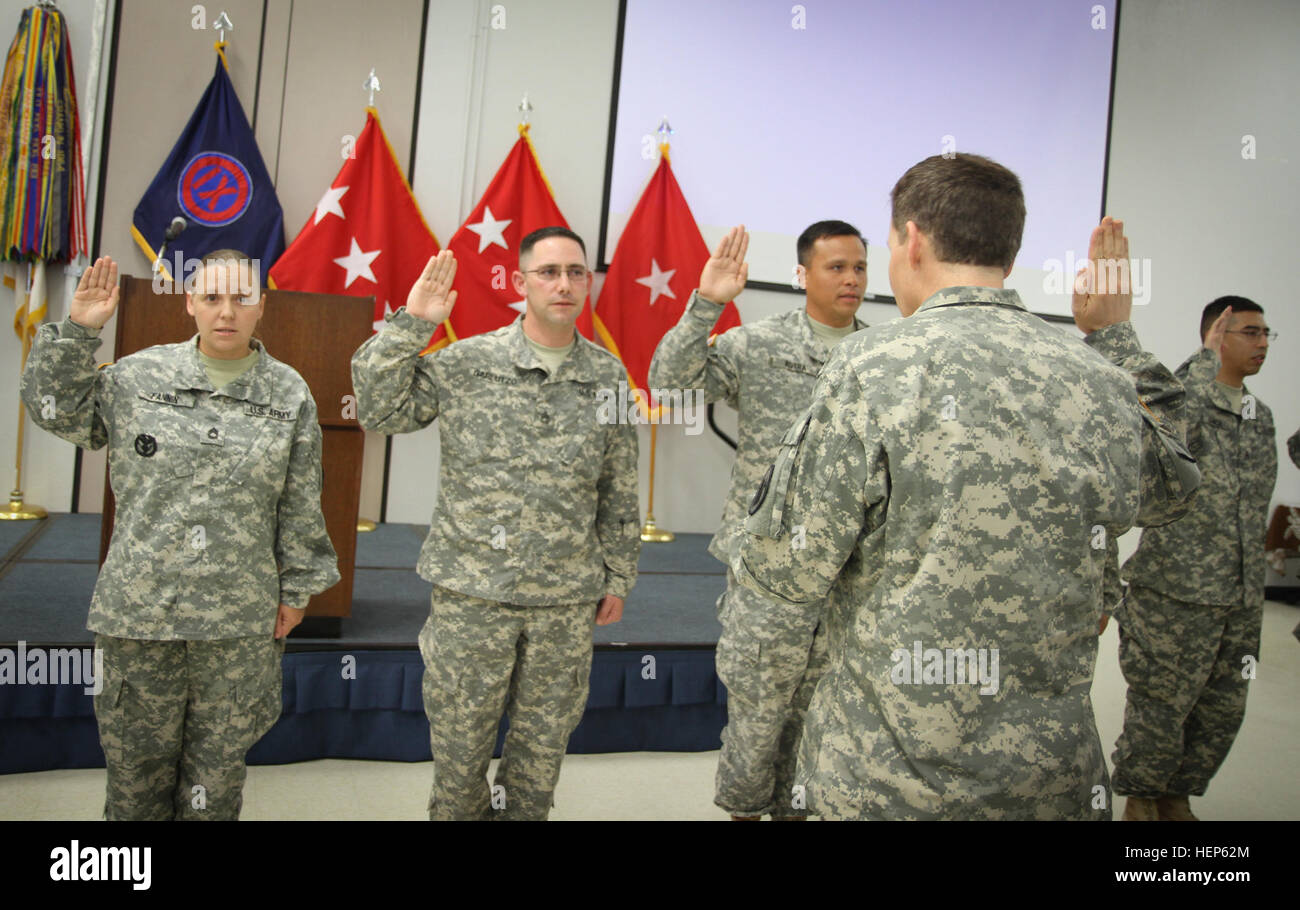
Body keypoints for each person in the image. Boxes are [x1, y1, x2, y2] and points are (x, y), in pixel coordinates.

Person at [732, 153, 1200, 820]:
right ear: (1010, 251)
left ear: (911, 240)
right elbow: (1177, 488)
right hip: (1049, 780)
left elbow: (789, 569)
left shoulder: (870, 366)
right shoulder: (1094, 376)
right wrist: (1115, 339)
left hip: (885, 776)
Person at [21, 251, 339, 820]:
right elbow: (54, 409)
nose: (226, 311)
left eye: (241, 298)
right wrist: (79, 331)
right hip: (141, 617)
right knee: (134, 790)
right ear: (190, 302)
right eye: (212, 297)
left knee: (213, 791)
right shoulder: (138, 377)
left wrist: (297, 589)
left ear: (261, 306)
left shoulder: (289, 394)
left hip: (237, 623)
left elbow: (299, 500)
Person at [351, 227, 640, 821]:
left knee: (539, 757)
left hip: (565, 597)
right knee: (459, 757)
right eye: (548, 272)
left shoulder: (609, 377)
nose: (564, 285)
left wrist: (619, 574)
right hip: (473, 594)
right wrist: (412, 324)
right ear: (520, 283)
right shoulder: (465, 363)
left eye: (576, 273)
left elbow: (619, 484)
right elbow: (379, 409)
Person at [648, 221, 868, 819]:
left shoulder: (882, 359)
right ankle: (745, 811)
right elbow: (668, 384)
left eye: (859, 267)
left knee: (825, 712)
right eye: (835, 267)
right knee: (757, 710)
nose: (850, 279)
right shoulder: (759, 343)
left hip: (849, 571)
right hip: (767, 565)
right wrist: (707, 305)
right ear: (802, 275)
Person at [1112, 297, 1277, 821]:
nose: (1263, 343)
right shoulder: (1190, 402)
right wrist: (1202, 361)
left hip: (1241, 594)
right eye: (1250, 332)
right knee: (1162, 706)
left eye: (1267, 333)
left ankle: (1177, 796)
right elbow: (1164, 406)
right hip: (1176, 591)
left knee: (1220, 709)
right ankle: (1141, 800)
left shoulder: (1259, 416)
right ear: (1218, 335)